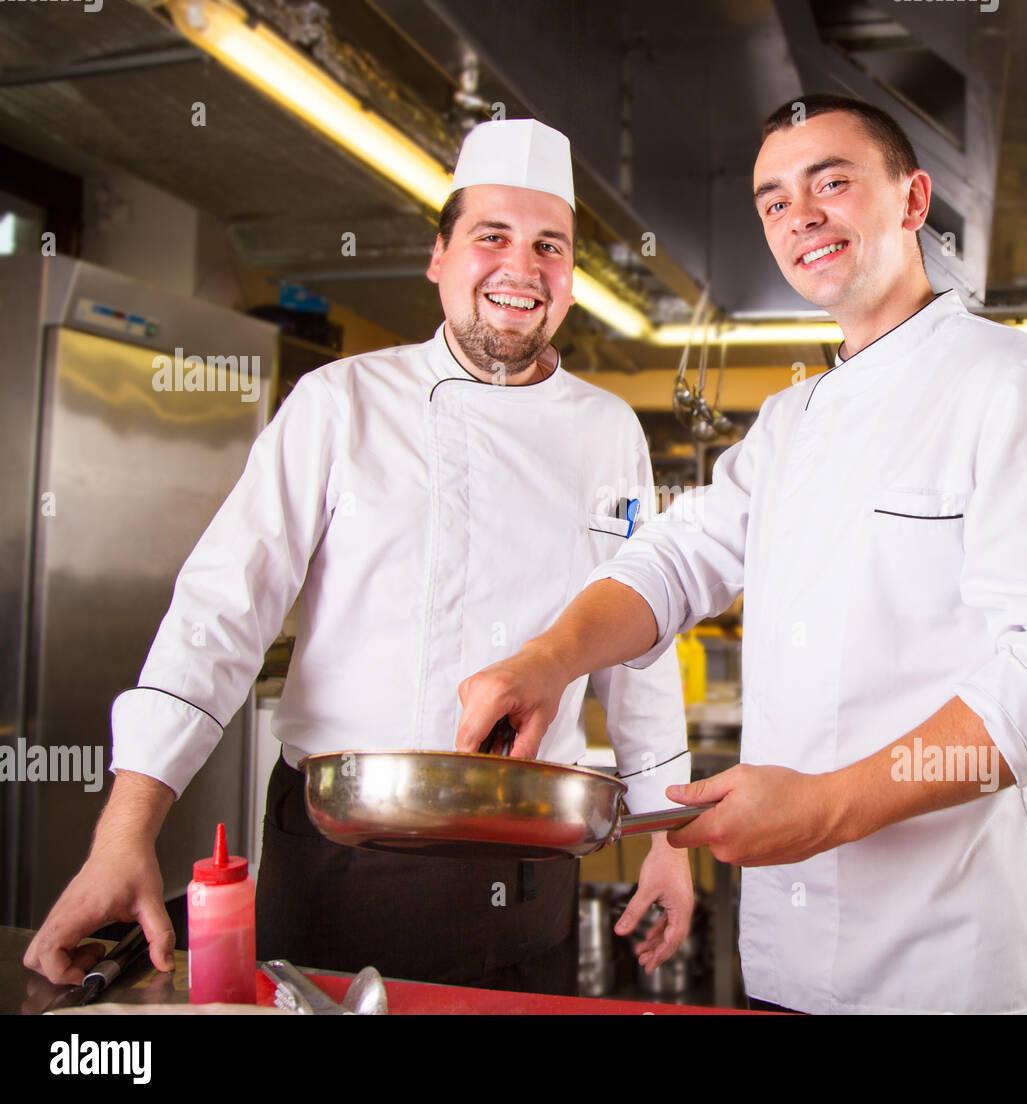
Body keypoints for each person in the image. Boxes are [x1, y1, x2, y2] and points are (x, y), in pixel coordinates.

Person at [455, 94, 1027, 1013]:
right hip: (785, 962)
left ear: (911, 201)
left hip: (942, 962)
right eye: (775, 201)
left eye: (833, 182)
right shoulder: (793, 422)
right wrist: (551, 658)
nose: (802, 216)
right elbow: (675, 559)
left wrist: (829, 807)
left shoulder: (1023, 385)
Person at [24, 119, 694, 994]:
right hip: (339, 861)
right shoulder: (339, 403)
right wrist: (125, 833)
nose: (521, 269)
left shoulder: (607, 429)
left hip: (526, 862)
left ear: (569, 276)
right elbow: (222, 612)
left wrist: (670, 839)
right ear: (439, 256)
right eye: (491, 236)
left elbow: (636, 644)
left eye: (549, 246)